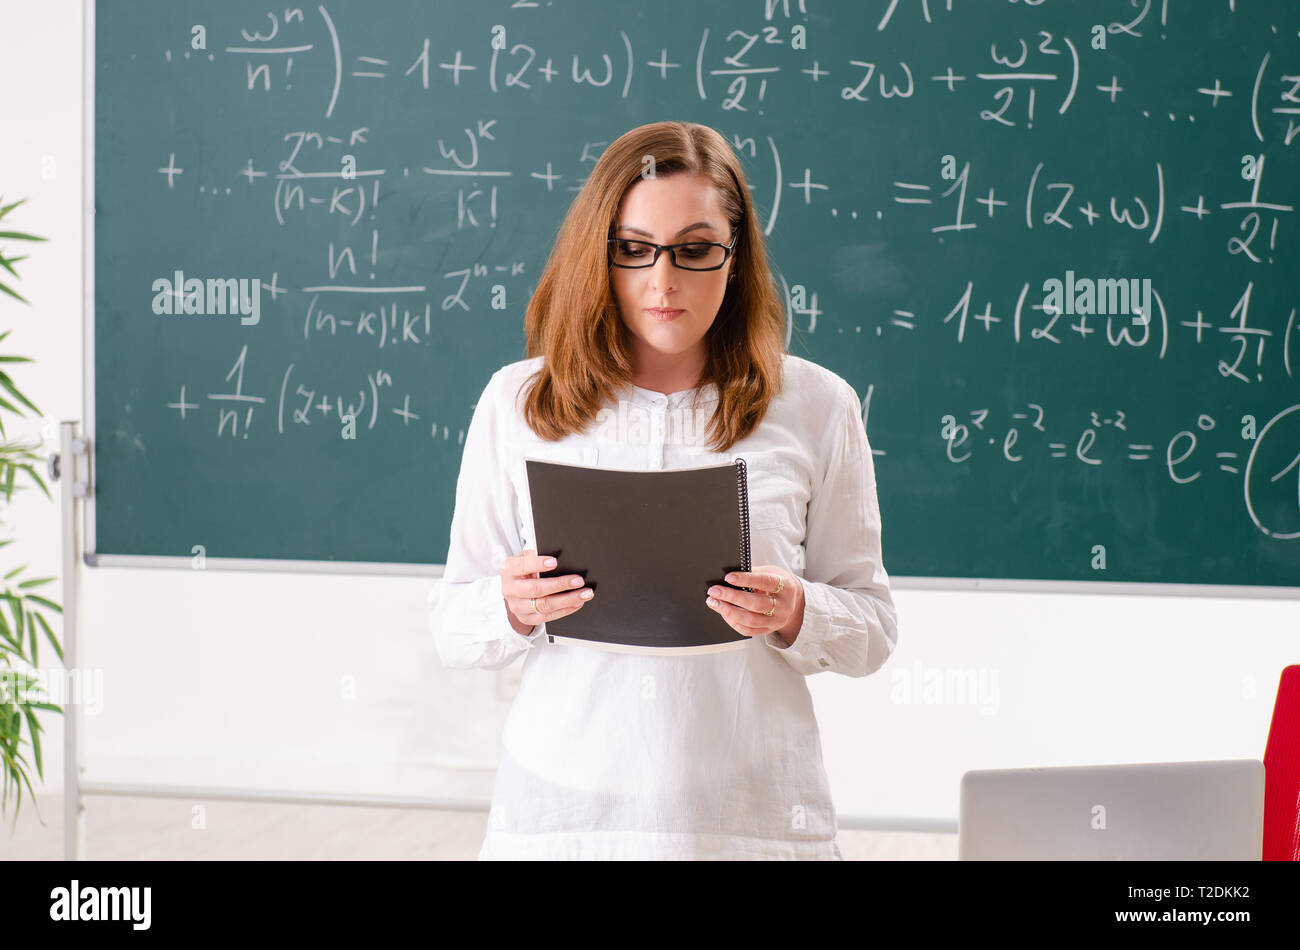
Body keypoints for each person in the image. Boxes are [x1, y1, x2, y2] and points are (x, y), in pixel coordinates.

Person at [428, 120, 899, 860]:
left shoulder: (817, 405)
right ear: (601, 253)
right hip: (564, 822)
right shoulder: (516, 403)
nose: (663, 280)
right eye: (634, 249)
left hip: (752, 821)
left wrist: (796, 609)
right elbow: (454, 624)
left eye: (696, 249)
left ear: (736, 260)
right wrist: (509, 606)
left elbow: (873, 629)